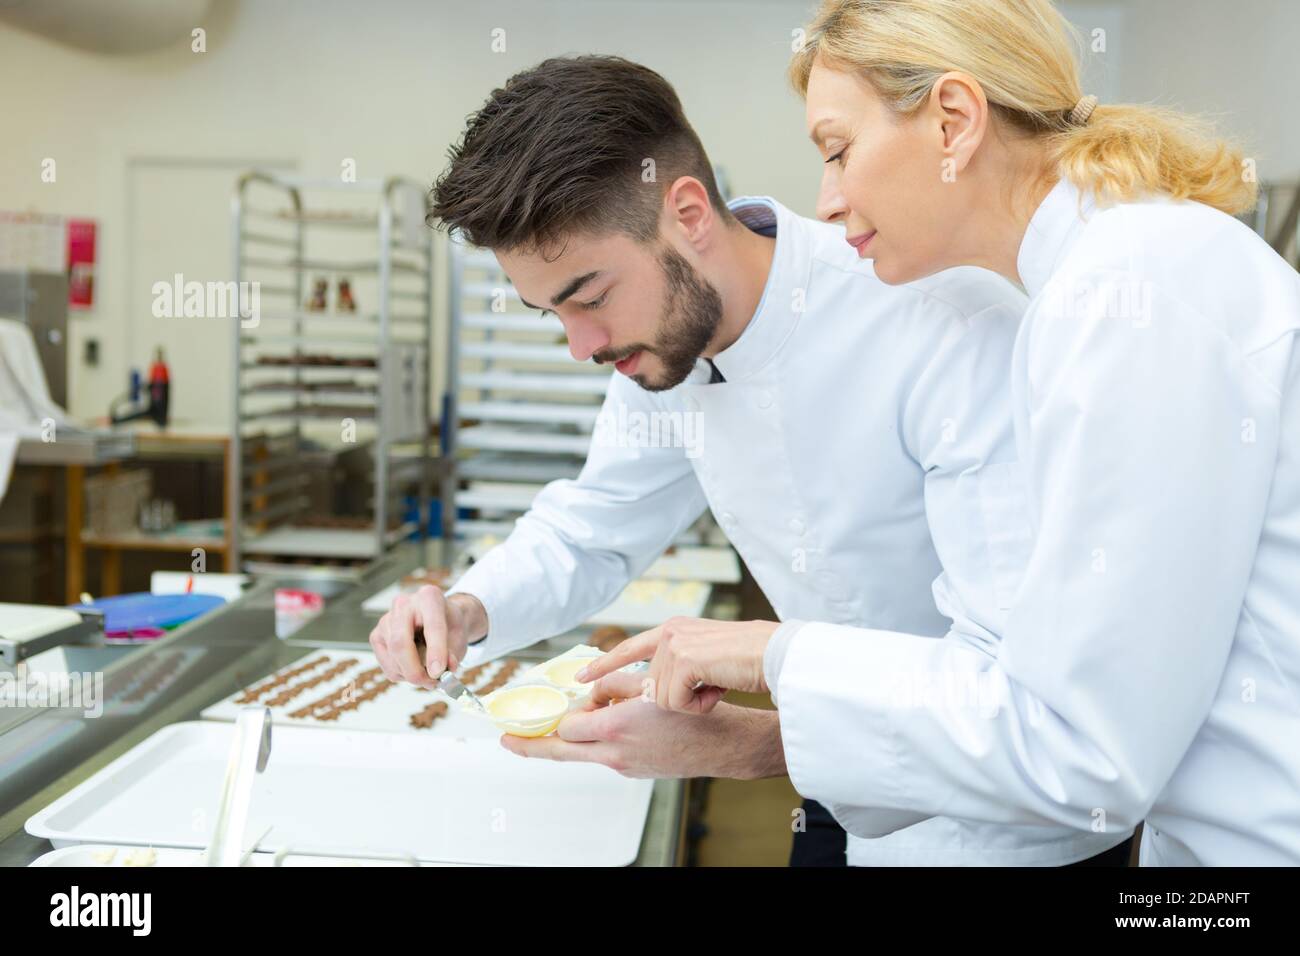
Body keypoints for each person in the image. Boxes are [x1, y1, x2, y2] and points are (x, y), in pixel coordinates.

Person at [585, 0, 1300, 866]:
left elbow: (1081, 752)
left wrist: (775, 656)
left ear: (955, 121)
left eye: (839, 150)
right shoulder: (1089, 288)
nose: (828, 198)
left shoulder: (1125, 292)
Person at [372, 55, 1129, 865]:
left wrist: (757, 743)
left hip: (1010, 831)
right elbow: (592, 530)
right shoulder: (662, 348)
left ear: (688, 213)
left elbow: (1015, 692)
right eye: (551, 311)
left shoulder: (937, 319)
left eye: (589, 297)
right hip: (843, 796)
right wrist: (468, 608)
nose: (581, 346)